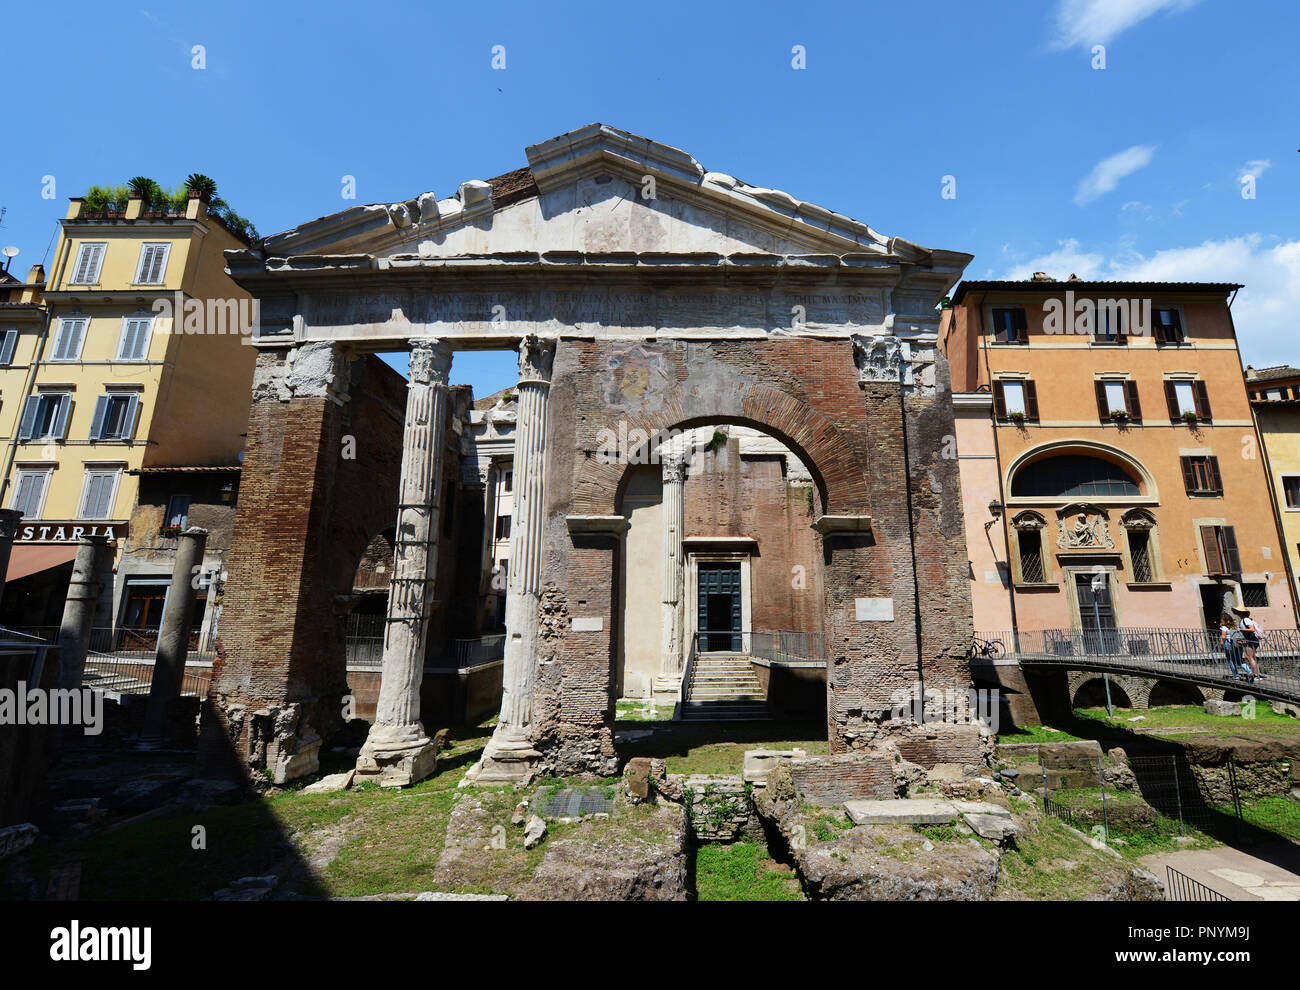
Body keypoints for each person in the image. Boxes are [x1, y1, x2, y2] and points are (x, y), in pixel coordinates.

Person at [1232, 606, 1263, 681]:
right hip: (1249, 640)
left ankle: (1256, 675)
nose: (1237, 613)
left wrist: (1240, 629)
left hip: (1251, 640)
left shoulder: (1246, 620)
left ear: (1242, 613)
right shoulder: (1243, 620)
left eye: (1238, 611)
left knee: (1249, 657)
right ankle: (1257, 674)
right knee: (1250, 657)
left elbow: (1252, 629)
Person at [1219, 613, 1248, 679]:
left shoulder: (1224, 627)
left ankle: (1236, 675)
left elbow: (1223, 637)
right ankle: (1249, 672)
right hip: (1237, 644)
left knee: (1231, 660)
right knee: (1240, 660)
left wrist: (1221, 645)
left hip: (1228, 643)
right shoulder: (1235, 626)